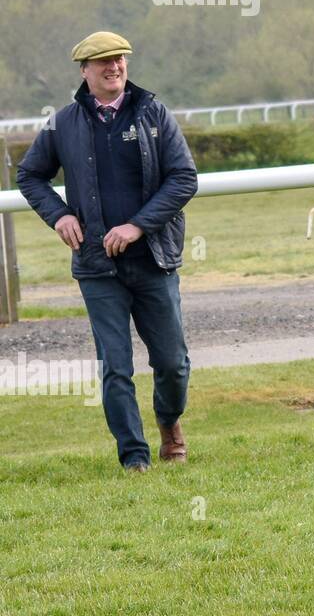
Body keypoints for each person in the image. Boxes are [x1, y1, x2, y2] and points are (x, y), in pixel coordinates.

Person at [17, 32, 198, 472]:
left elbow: (183, 179)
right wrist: (59, 215)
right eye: (102, 62)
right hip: (98, 268)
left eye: (119, 59)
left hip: (154, 260)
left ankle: (169, 424)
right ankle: (134, 458)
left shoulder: (155, 113)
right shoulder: (63, 123)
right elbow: (30, 175)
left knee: (172, 364)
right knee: (116, 366)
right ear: (84, 71)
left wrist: (137, 225)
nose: (113, 66)